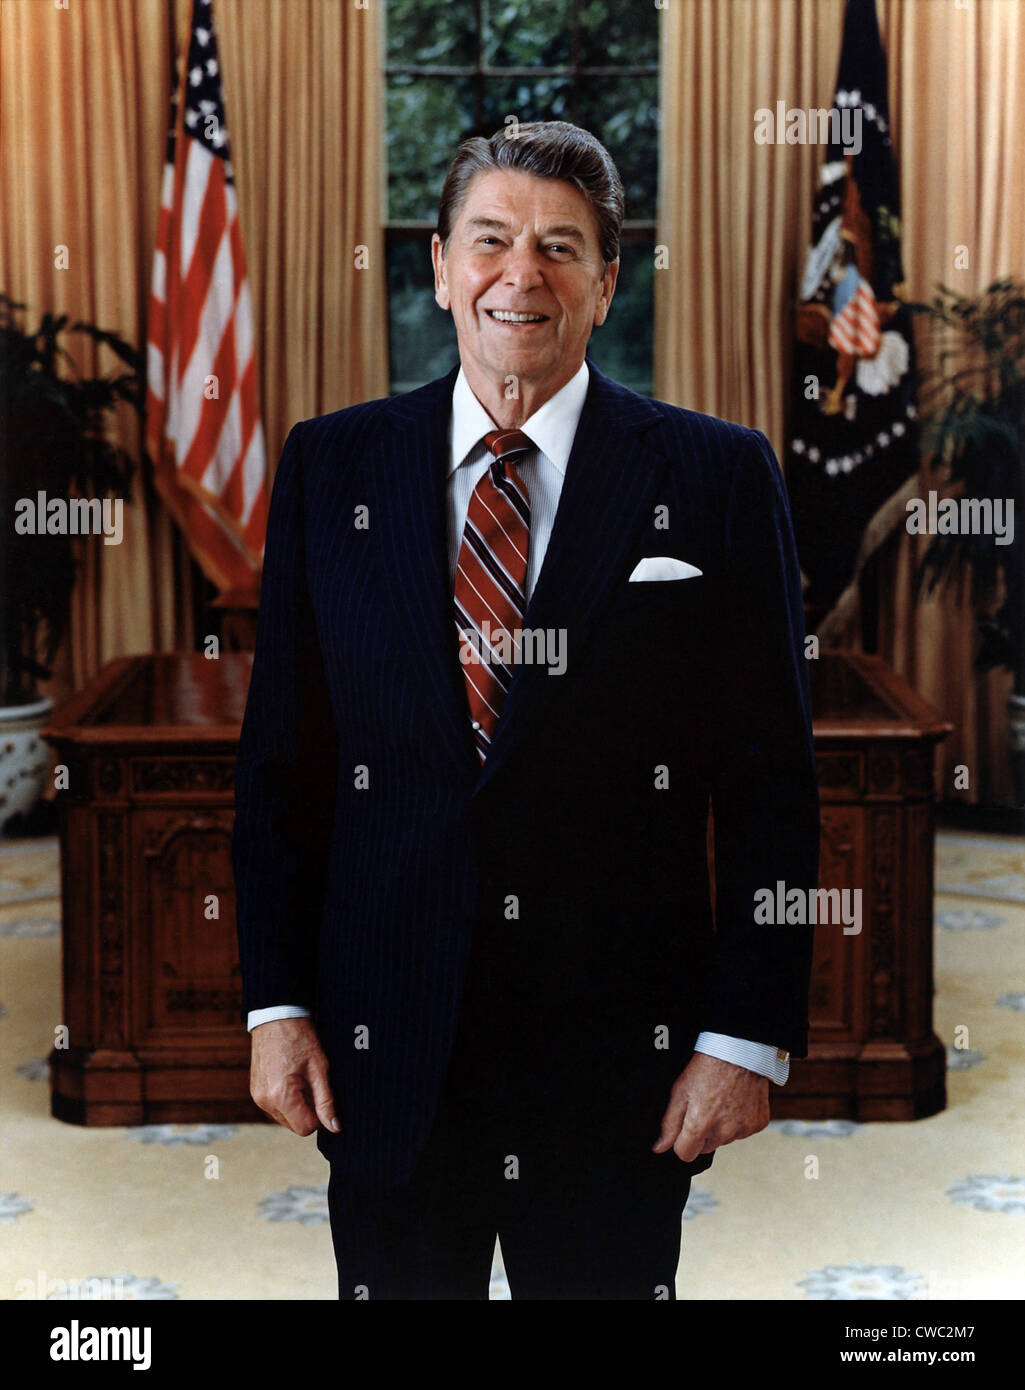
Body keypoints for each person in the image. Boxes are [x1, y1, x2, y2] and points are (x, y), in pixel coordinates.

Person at [232, 121, 820, 1300]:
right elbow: (284, 765)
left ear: (607, 283)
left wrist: (741, 1035)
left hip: (616, 1061)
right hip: (384, 1046)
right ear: (440, 265)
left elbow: (769, 786)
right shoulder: (330, 467)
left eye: (561, 247)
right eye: (490, 240)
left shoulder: (711, 478)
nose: (521, 274)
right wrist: (277, 1003)